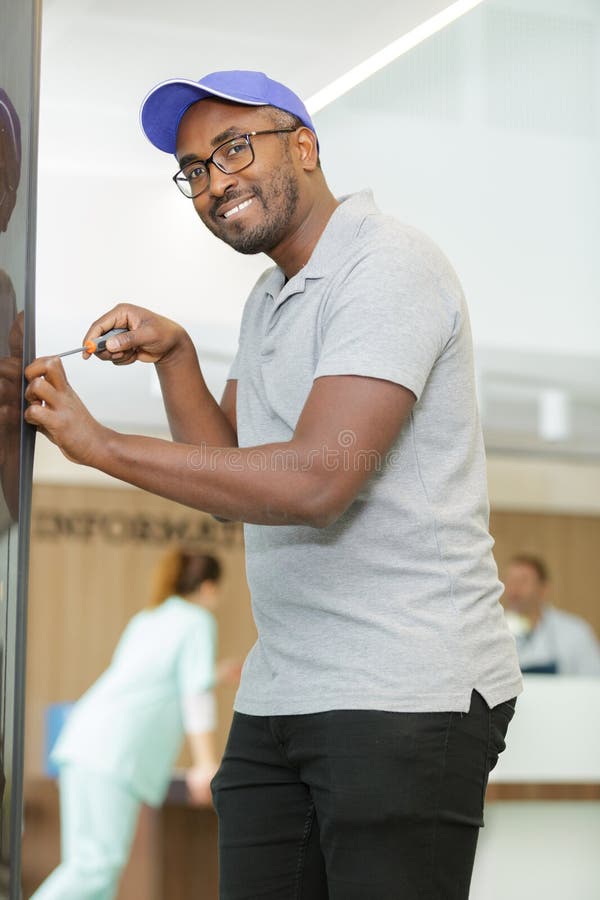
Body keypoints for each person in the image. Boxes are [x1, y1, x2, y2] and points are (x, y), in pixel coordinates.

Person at [24, 70, 522, 899]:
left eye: (234, 147)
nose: (215, 181)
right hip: (284, 690)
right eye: (194, 170)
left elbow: (317, 480)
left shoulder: (387, 264)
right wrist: (177, 356)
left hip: (403, 691)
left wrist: (104, 447)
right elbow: (233, 482)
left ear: (304, 145)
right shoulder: (270, 298)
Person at [31, 548, 223, 900]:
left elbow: (155, 681)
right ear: (209, 587)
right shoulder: (197, 621)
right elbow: (195, 694)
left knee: (91, 870)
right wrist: (205, 763)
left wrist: (219, 673)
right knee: (96, 868)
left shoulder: (148, 619)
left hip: (85, 741)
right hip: (113, 753)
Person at [503, 554, 600, 676]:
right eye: (510, 581)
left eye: (523, 581)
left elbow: (593, 682)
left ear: (544, 588)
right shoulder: (492, 631)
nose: (514, 588)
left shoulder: (575, 631)